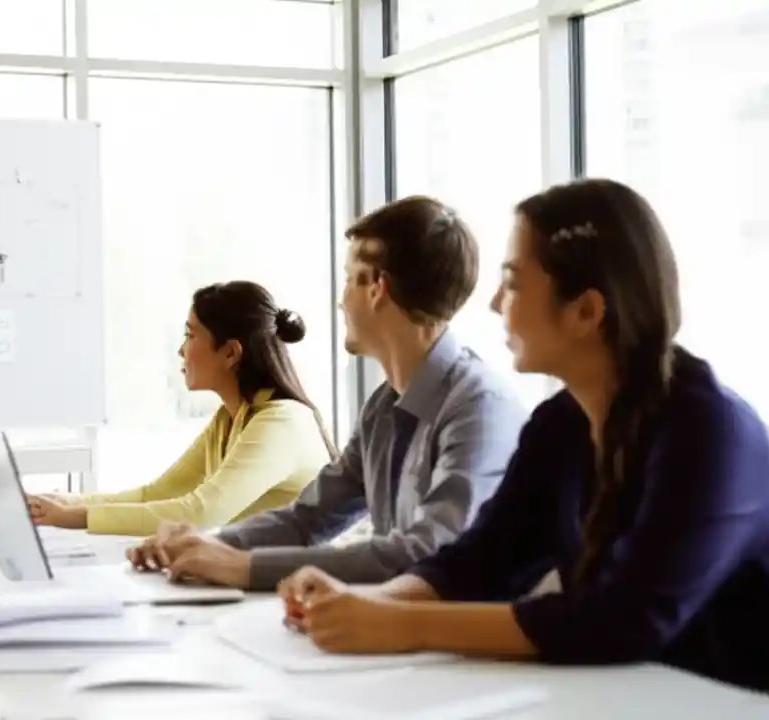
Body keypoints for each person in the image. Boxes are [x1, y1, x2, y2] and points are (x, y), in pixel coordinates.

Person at [279, 178, 769, 693]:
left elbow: (622, 619)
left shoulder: (711, 433)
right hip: (637, 697)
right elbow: (481, 559)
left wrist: (401, 625)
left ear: (586, 311)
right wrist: (367, 602)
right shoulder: (561, 422)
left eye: (512, 282)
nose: (494, 303)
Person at [127, 196, 527, 591]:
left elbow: (428, 551)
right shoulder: (384, 407)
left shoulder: (479, 409)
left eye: (349, 278)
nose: (341, 301)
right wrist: (205, 546)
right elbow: (309, 518)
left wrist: (245, 566)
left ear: (376, 288)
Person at [27, 281, 334, 536]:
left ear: (230, 352)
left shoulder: (281, 422)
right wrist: (66, 502)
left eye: (190, 335)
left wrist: (75, 517)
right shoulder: (230, 418)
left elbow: (201, 512)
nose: (181, 350)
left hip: (295, 589)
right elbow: (158, 494)